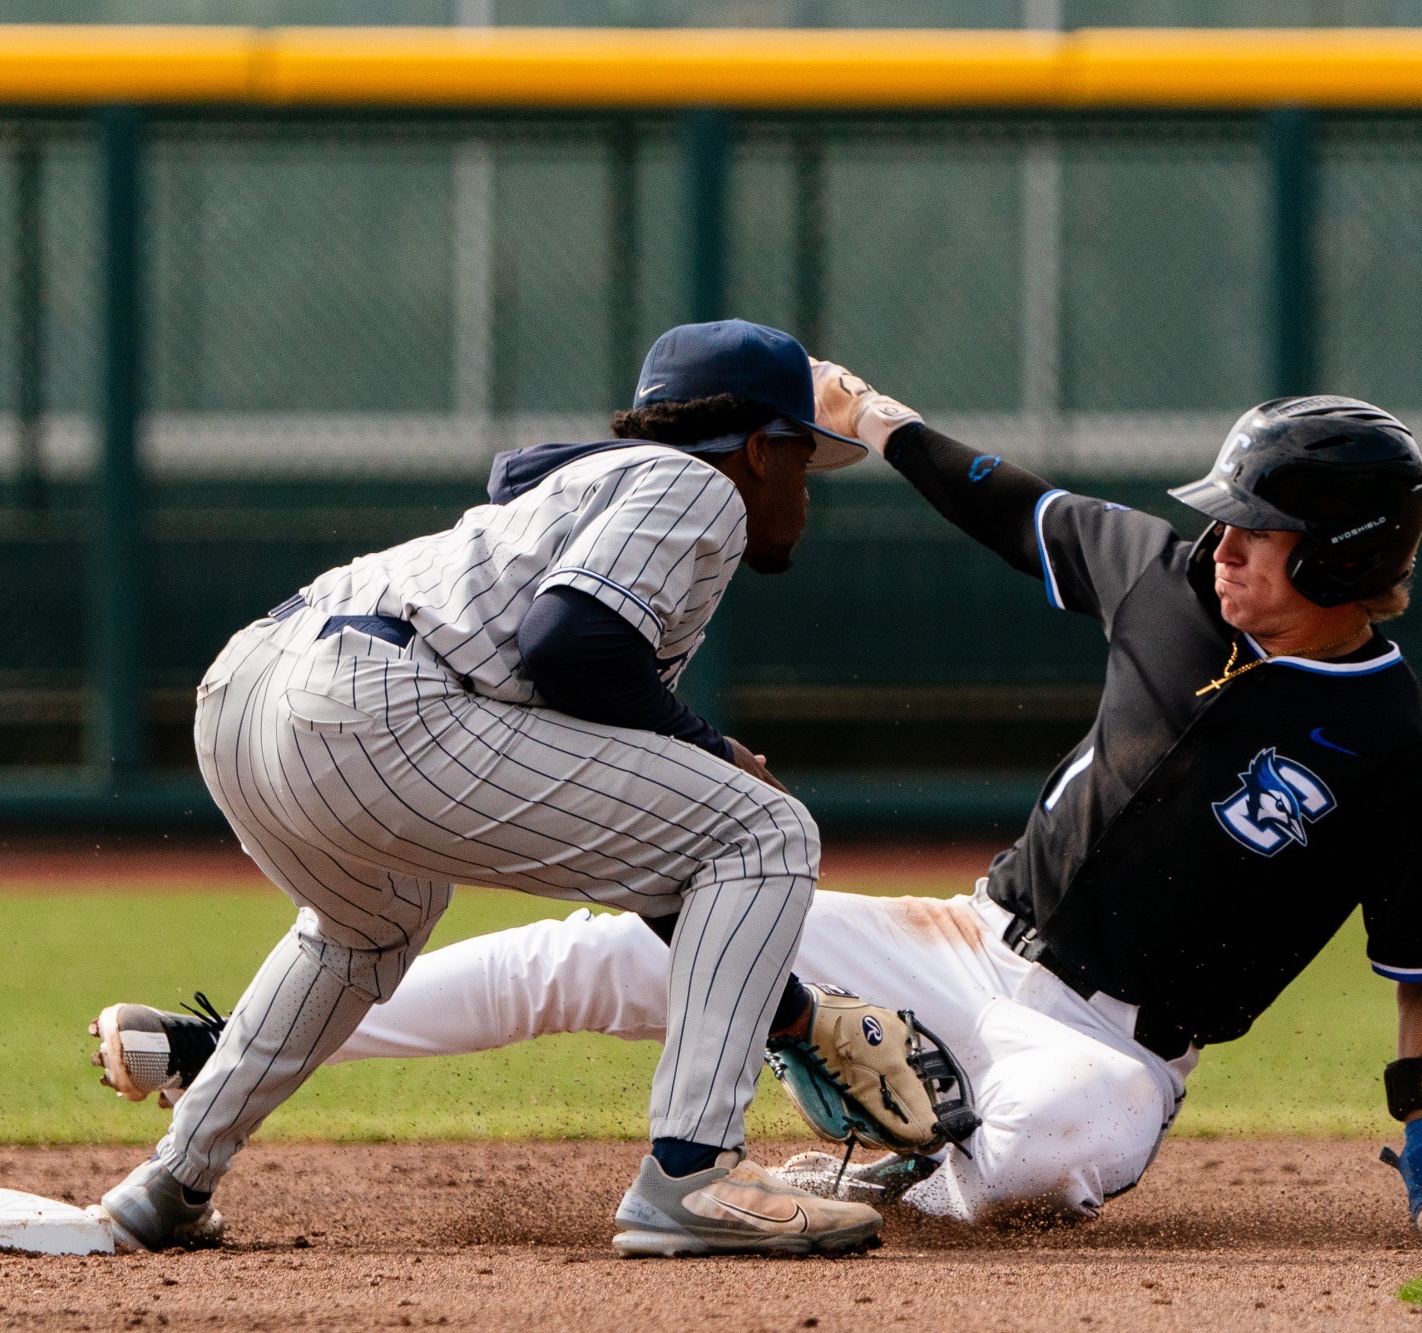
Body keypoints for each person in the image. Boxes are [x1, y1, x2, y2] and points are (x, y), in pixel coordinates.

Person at [92, 380, 1422, 1240]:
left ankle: (878, 1145)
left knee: (1040, 1154)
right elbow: (1012, 502)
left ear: (1340, 560)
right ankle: (237, 1049)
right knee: (612, 949)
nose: (1220, 544)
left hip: (1116, 1046)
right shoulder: (1169, 580)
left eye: (1256, 530)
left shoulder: (1398, 754)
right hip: (968, 941)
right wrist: (881, 419)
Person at [88, 319, 905, 1259]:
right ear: (759, 451)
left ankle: (172, 1181)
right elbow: (571, 644)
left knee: (369, 929)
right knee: (770, 830)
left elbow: (653, 857)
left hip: (246, 697)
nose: (806, 488)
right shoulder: (696, 489)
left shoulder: (586, 495)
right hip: (378, 703)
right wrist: (713, 749)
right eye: (803, 459)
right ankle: (694, 1171)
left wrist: (796, 1015)